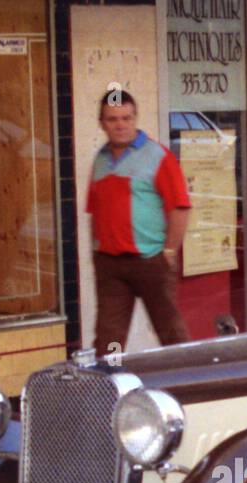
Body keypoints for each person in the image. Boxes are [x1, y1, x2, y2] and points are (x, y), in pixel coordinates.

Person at [86, 89, 191, 355]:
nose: (120, 124)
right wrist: (96, 252)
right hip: (110, 264)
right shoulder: (100, 159)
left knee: (170, 331)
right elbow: (94, 210)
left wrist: (169, 251)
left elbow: (180, 207)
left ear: (135, 119)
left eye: (126, 118)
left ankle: (188, 384)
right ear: (102, 123)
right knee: (108, 338)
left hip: (151, 259)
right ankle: (109, 389)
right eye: (112, 119)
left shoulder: (158, 156)